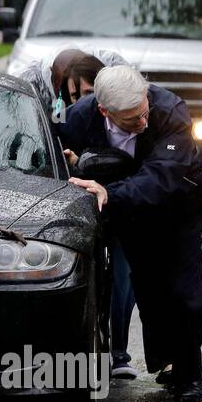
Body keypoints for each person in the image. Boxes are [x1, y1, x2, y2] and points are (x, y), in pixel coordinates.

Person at [59, 65, 202, 402]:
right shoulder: (77, 118)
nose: (142, 124)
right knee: (147, 285)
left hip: (180, 207)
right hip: (120, 210)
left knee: (186, 292)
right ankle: (164, 360)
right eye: (131, 120)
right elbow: (48, 154)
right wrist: (69, 164)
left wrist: (110, 193)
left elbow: (161, 177)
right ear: (104, 111)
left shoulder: (171, 111)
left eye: (144, 113)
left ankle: (190, 373)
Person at [10, 47, 140, 379]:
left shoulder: (120, 102)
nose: (79, 103)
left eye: (86, 95)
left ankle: (120, 350)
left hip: (118, 196)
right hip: (72, 199)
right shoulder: (47, 107)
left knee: (125, 272)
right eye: (71, 95)